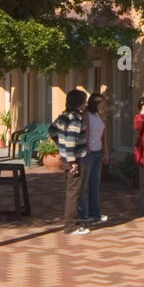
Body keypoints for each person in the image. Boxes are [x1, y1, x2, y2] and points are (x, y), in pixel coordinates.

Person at [50, 89, 90, 236]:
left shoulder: (63, 116)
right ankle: (71, 226)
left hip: (67, 158)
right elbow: (72, 139)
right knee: (74, 192)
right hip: (75, 159)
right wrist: (73, 160)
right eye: (84, 101)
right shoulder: (75, 118)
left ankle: (73, 222)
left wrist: (61, 145)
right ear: (79, 102)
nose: (86, 104)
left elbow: (52, 131)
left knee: (72, 191)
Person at [78, 92, 108, 225]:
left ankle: (94, 212)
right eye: (102, 104)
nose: (103, 106)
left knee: (95, 184)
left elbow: (103, 134)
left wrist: (105, 151)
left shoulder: (98, 116)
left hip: (97, 151)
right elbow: (86, 131)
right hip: (88, 153)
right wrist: (87, 147)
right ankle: (83, 213)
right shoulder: (86, 115)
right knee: (85, 184)